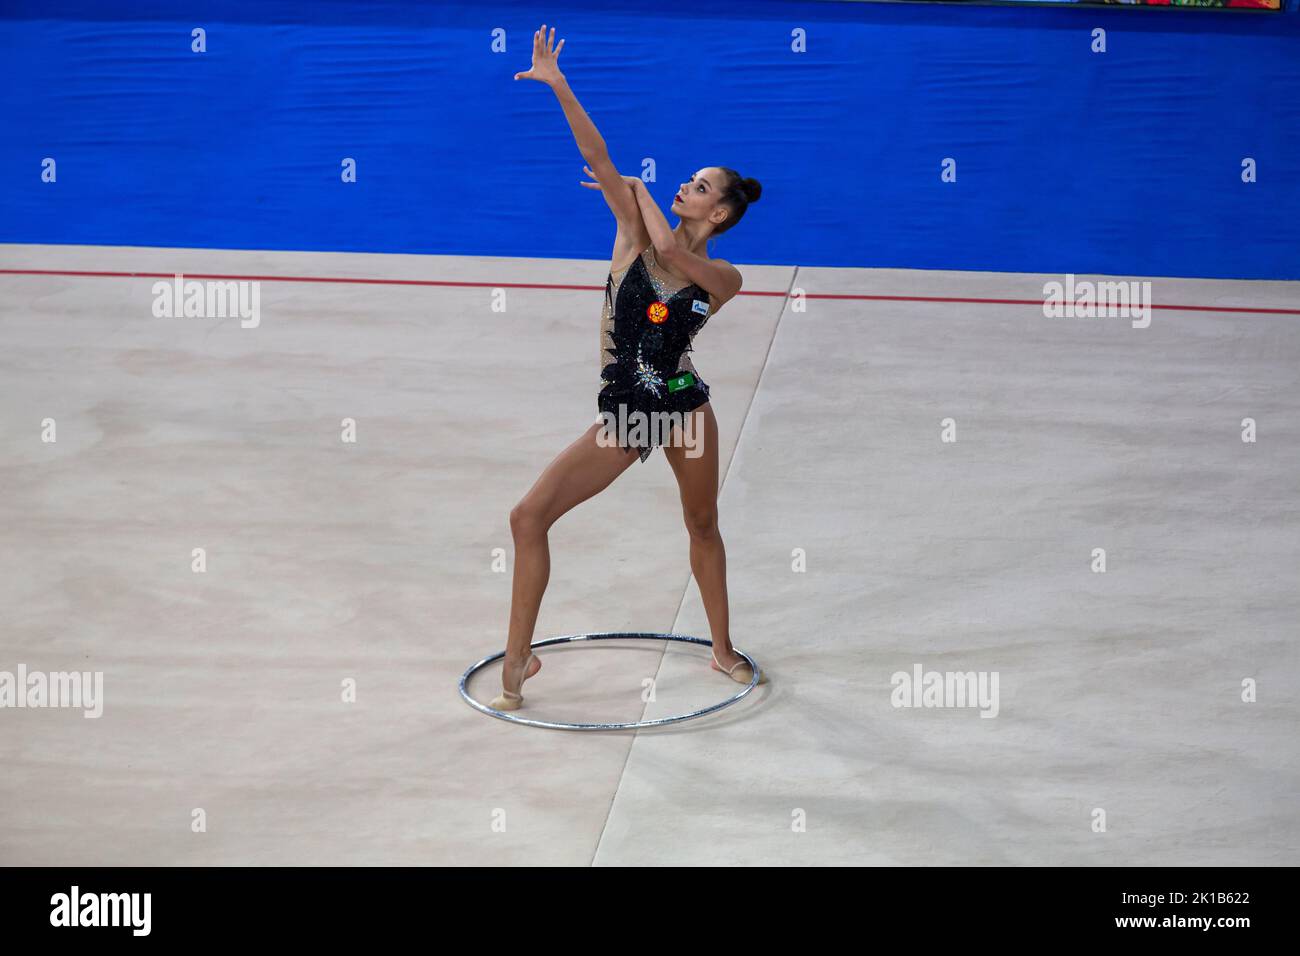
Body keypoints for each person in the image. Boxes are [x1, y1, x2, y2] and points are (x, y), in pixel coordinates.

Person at [494, 24, 764, 710]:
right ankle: (519, 659)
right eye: (685, 179)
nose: (684, 184)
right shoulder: (634, 232)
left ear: (722, 211)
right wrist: (560, 86)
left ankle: (722, 649)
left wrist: (641, 189)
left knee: (702, 524)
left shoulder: (722, 275)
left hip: (686, 412)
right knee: (529, 518)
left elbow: (676, 256)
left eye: (699, 185)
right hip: (628, 414)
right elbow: (597, 154)